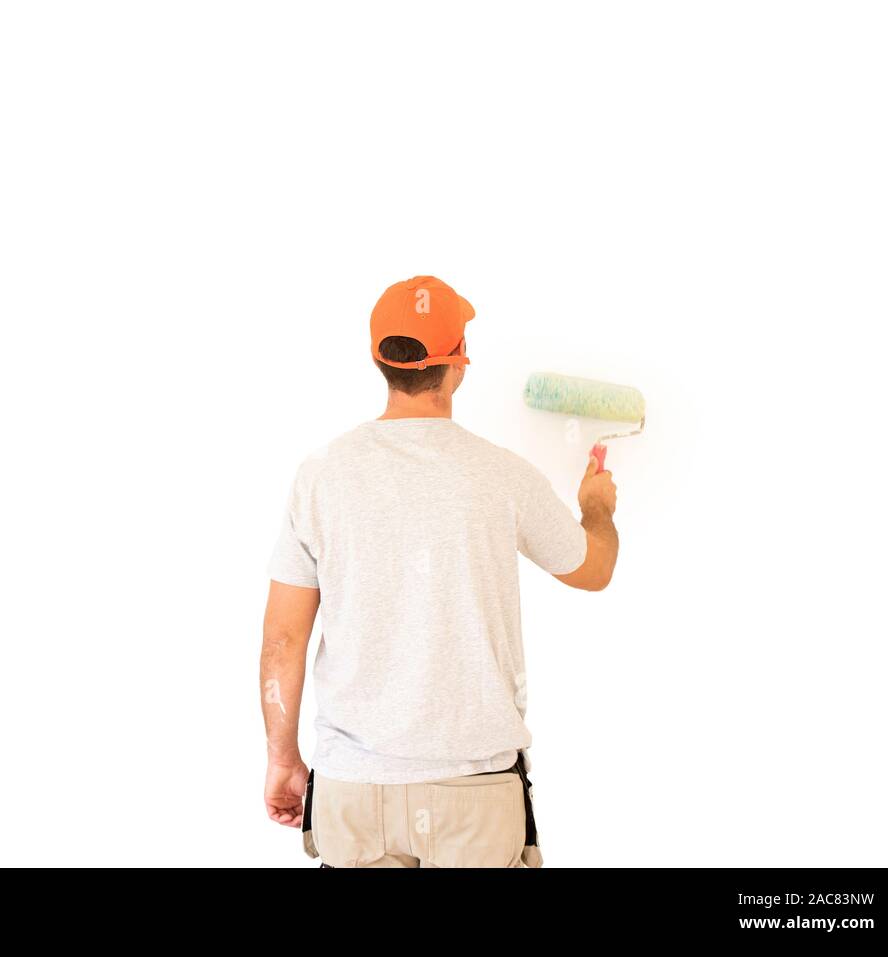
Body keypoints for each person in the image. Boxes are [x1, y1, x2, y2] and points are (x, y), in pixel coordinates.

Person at [259, 275, 619, 867]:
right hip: (477, 794)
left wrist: (281, 757)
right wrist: (596, 509)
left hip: (354, 792)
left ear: (380, 360)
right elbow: (593, 569)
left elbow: (282, 639)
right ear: (459, 364)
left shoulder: (321, 476)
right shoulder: (502, 475)